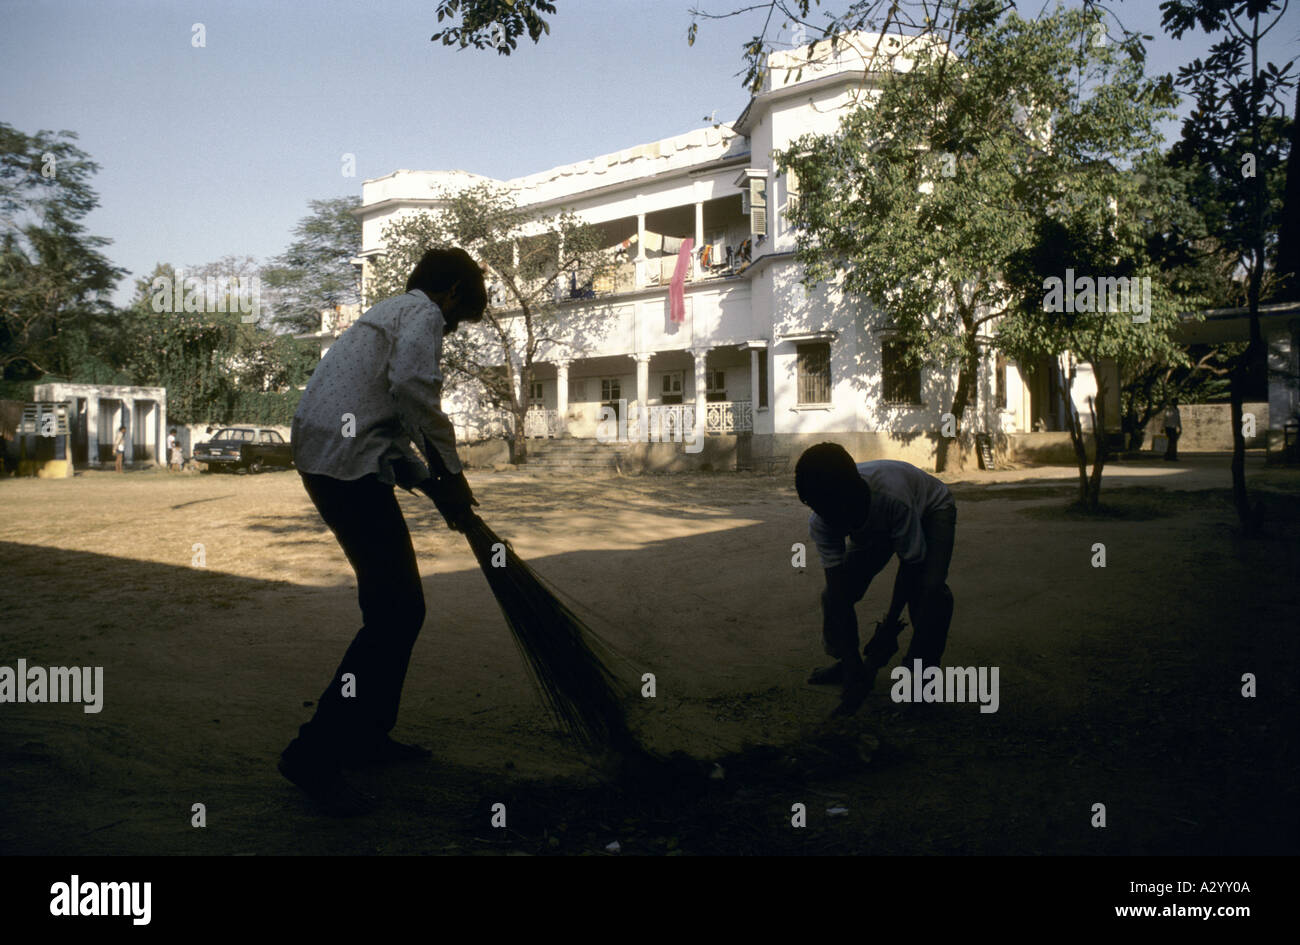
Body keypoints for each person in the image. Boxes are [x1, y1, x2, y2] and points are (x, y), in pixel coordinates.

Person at [279, 247, 487, 815]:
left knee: (391, 610)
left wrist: (429, 482)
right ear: (449, 295)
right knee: (399, 612)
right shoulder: (421, 313)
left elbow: (388, 422)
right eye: (456, 317)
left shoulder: (388, 315)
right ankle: (314, 754)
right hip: (343, 464)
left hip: (333, 458)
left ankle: (367, 736)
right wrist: (452, 473)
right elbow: (417, 389)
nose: (449, 329)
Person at [795, 443, 957, 716]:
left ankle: (922, 679)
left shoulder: (894, 498)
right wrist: (854, 661)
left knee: (930, 594)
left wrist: (887, 633)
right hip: (875, 522)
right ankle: (845, 662)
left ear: (851, 498)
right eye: (818, 509)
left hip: (930, 508)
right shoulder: (823, 517)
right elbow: (838, 594)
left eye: (833, 511)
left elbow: (911, 567)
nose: (827, 518)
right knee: (832, 598)